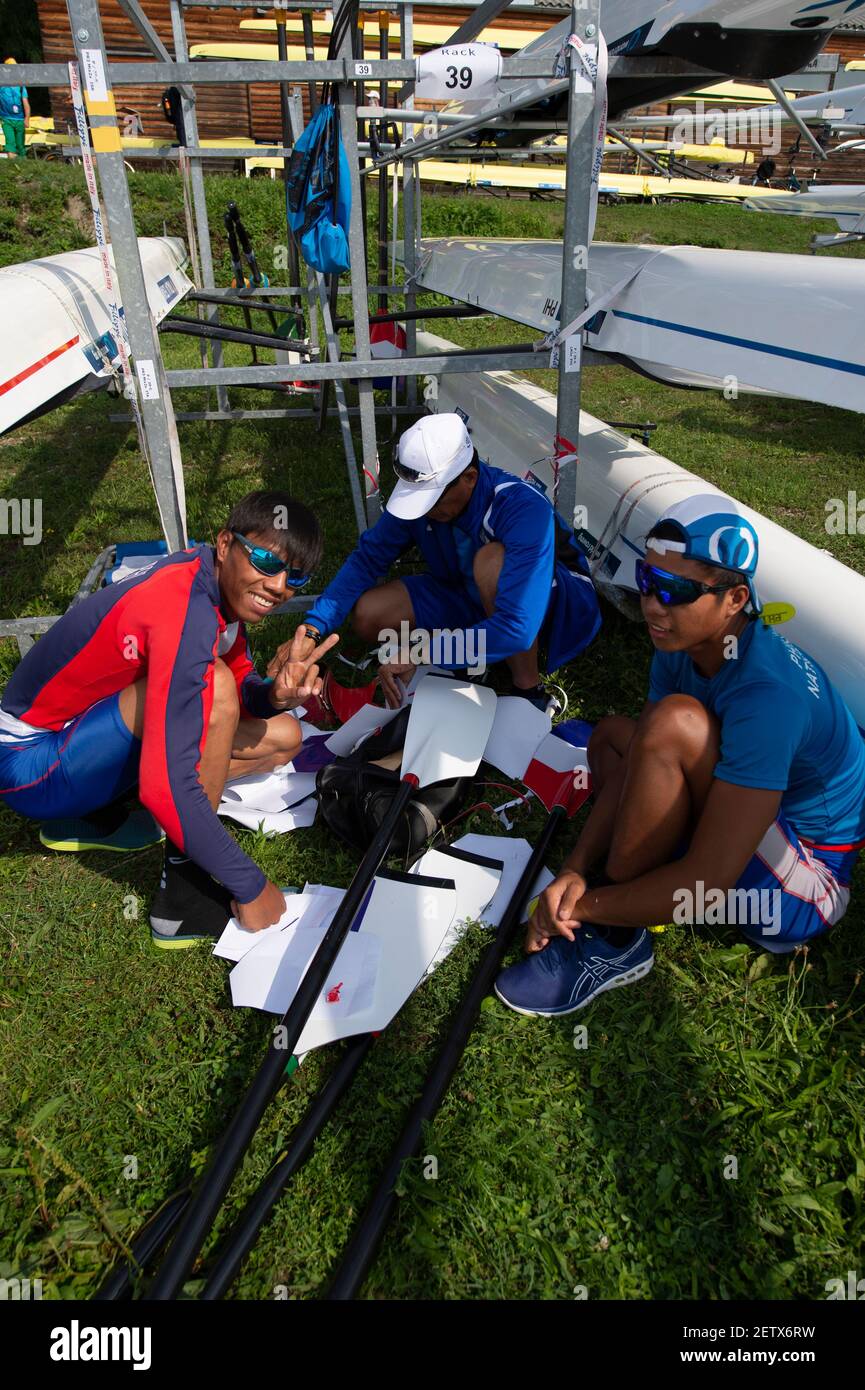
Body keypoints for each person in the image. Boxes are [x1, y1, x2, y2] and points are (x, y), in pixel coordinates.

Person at [495, 493, 865, 1016]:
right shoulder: (683, 640)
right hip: (763, 819)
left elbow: (710, 883)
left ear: (735, 600)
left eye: (674, 590)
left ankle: (616, 937)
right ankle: (636, 886)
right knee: (613, 738)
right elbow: (636, 761)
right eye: (647, 580)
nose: (651, 604)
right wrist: (575, 867)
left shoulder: (767, 697)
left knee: (673, 727)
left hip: (807, 889)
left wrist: (585, 904)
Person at [0, 492, 337, 947]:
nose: (278, 586)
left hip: (76, 741)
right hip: (29, 765)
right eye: (265, 562)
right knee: (211, 690)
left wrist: (274, 695)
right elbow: (170, 781)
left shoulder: (214, 587)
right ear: (224, 544)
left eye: (296, 577)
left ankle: (109, 817)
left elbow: (242, 692)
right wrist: (252, 886)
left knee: (284, 735)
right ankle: (182, 900)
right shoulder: (185, 607)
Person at [277, 413, 601, 710]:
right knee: (368, 616)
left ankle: (528, 689)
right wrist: (312, 629)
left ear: (470, 477)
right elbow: (367, 560)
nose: (425, 508)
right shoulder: (421, 495)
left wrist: (424, 651)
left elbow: (517, 626)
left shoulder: (521, 507)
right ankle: (472, 655)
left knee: (491, 562)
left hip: (550, 605)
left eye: (433, 498)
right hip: (465, 591)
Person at [1, 58, 29, 159]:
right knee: (10, 144)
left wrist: (27, 118)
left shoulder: (20, 86)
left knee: (20, 145)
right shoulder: (1, 85)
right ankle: (13, 166)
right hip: (6, 119)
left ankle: (23, 166)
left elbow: (26, 103)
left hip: (20, 119)